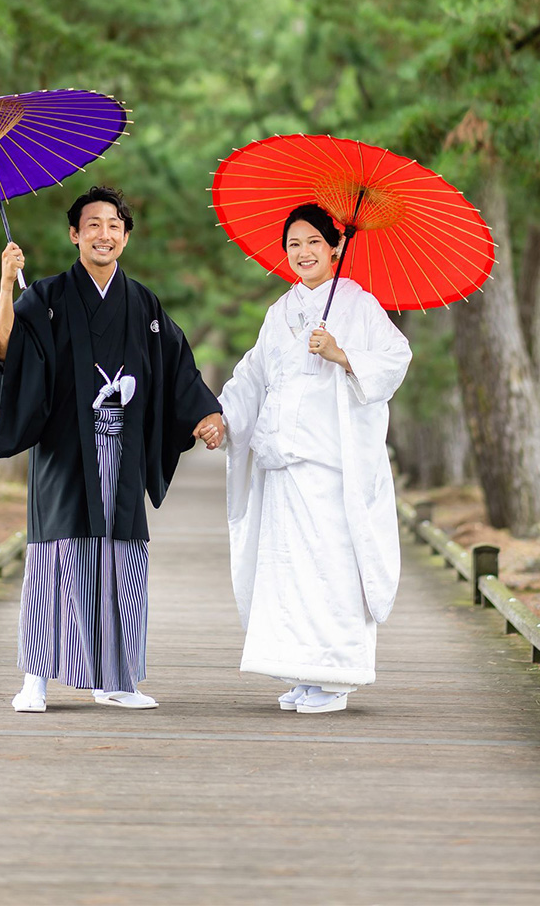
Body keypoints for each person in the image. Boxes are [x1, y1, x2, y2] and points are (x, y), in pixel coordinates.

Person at [0, 185, 224, 713]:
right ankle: (36, 679)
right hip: (66, 454)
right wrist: (6, 288)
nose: (104, 234)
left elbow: (178, 366)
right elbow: (7, 352)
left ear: (126, 236)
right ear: (74, 235)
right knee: (56, 562)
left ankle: (118, 678)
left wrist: (204, 412)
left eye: (114, 225)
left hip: (124, 452)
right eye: (92, 225)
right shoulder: (43, 297)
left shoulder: (142, 303)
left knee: (122, 563)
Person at [218, 203, 411, 714]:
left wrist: (342, 354)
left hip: (330, 467)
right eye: (293, 244)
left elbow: (396, 358)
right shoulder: (280, 312)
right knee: (289, 572)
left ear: (335, 246)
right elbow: (253, 376)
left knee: (331, 569)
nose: (302, 253)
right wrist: (221, 418)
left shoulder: (358, 305)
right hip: (282, 465)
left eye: (312, 242)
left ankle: (335, 677)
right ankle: (304, 671)